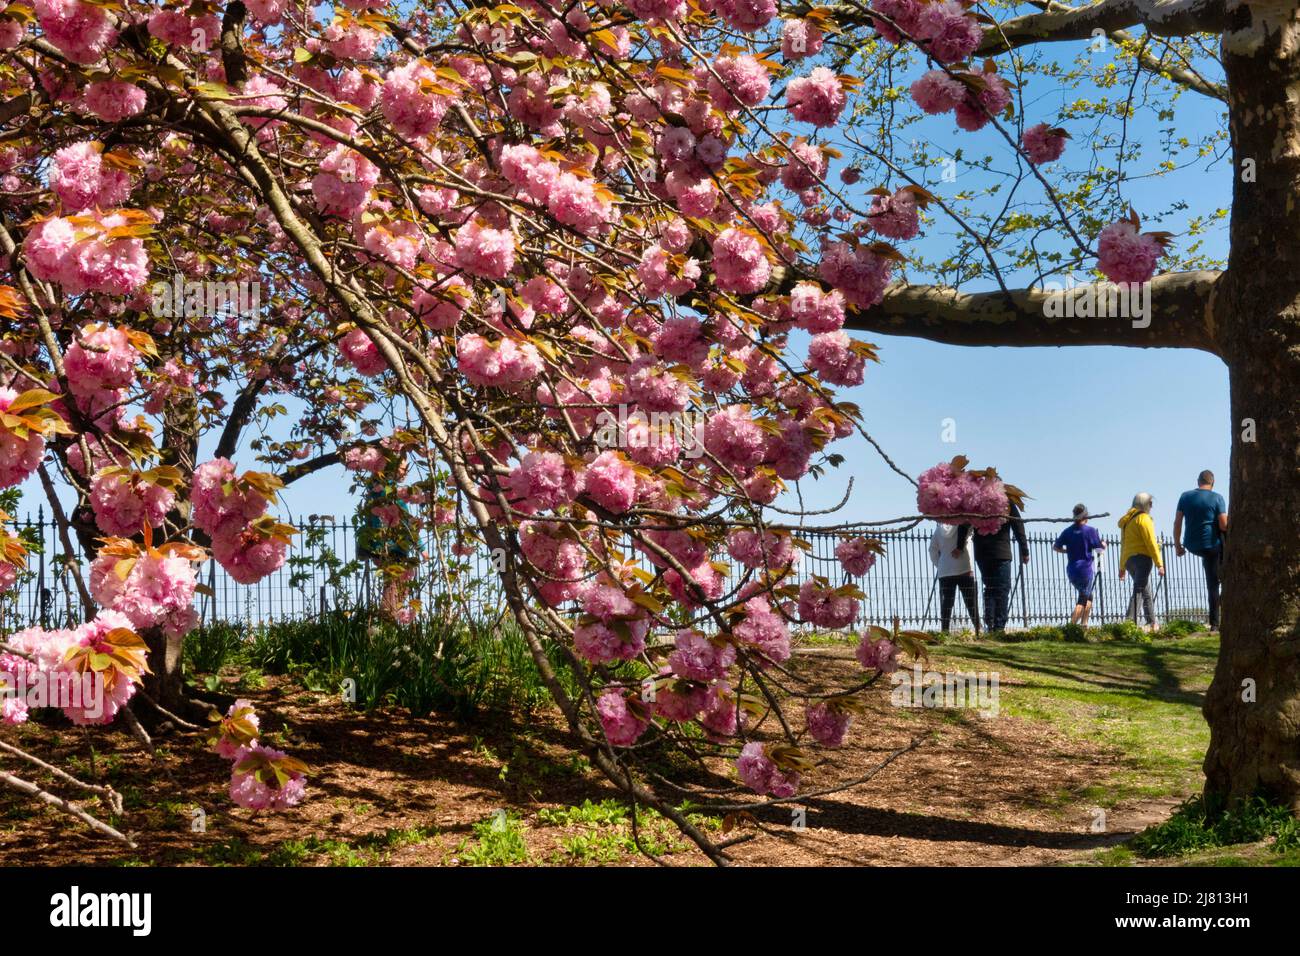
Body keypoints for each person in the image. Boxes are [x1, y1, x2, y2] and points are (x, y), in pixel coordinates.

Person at [956, 500, 1029, 632]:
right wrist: (1024, 550)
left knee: (990, 589)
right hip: (1001, 552)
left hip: (982, 553)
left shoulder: (975, 502)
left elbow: (964, 524)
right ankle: (999, 626)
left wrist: (959, 546)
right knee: (1002, 589)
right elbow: (1018, 525)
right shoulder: (1006, 502)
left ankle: (991, 625)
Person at [1174, 469, 1228, 630]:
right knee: (1213, 584)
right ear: (1213, 483)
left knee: (1211, 577)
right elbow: (1223, 525)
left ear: (1198, 482)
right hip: (1213, 546)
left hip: (1192, 544)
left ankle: (1222, 572)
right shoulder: (1217, 497)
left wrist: (1178, 546)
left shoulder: (1185, 496)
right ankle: (1215, 624)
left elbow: (1177, 523)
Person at [1117, 492, 1165, 632]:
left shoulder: (1127, 521)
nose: (1151, 506)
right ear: (1145, 504)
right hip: (1142, 559)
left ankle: (1152, 623)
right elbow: (1150, 542)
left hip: (1129, 561)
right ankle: (1129, 623)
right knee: (1139, 590)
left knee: (1145, 590)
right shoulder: (1144, 519)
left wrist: (1122, 567)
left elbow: (1124, 545)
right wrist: (1159, 564)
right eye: (1150, 503)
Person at [1054, 504, 1105, 626]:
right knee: (1083, 598)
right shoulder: (1090, 531)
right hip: (1085, 570)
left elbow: (1056, 547)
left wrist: (1067, 550)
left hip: (1072, 570)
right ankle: (1071, 626)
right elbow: (1100, 549)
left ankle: (1084, 624)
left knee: (1089, 596)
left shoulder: (1067, 531)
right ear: (1086, 516)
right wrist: (1104, 544)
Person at [929, 522, 980, 635]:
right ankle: (978, 629)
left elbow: (932, 550)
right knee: (971, 602)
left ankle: (945, 631)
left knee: (947, 603)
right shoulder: (963, 526)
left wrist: (940, 564)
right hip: (964, 568)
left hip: (945, 571)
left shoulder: (938, 531)